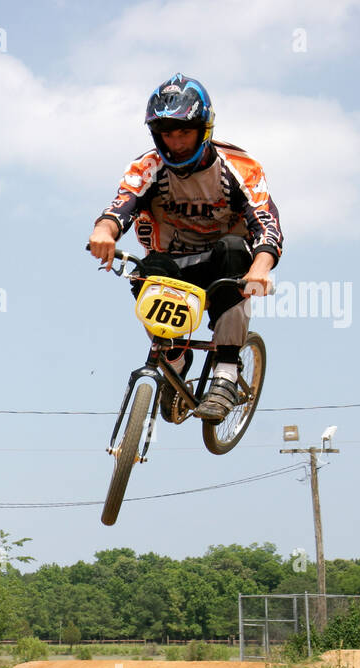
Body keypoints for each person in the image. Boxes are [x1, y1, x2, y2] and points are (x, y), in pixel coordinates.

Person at [87, 73, 282, 422]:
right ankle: (174, 358)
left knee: (235, 250)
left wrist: (261, 268)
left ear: (204, 129)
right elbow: (121, 207)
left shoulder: (240, 167)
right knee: (144, 271)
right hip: (175, 265)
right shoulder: (148, 167)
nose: (176, 143)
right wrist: (104, 231)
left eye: (184, 132)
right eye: (167, 134)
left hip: (225, 264)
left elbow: (266, 223)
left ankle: (226, 373)